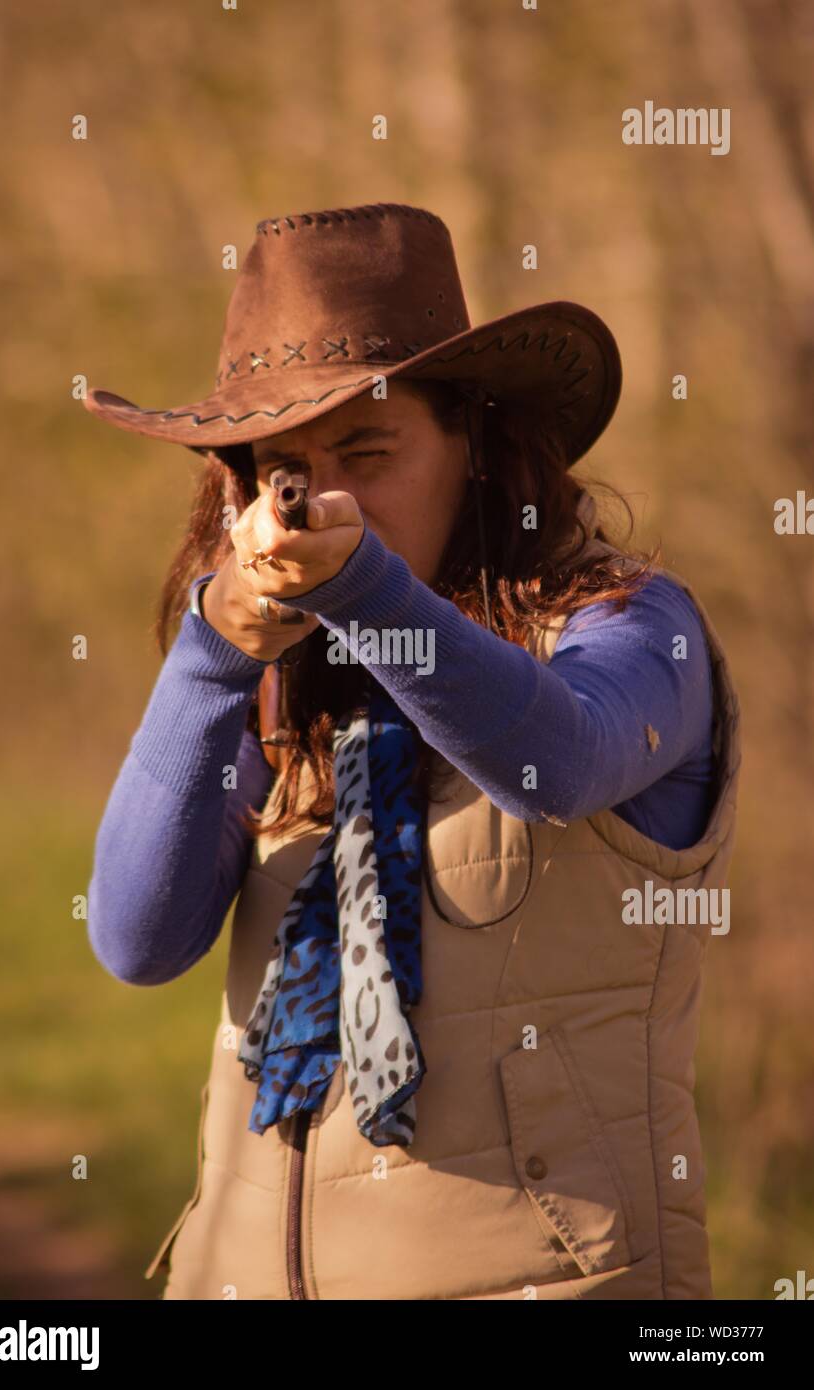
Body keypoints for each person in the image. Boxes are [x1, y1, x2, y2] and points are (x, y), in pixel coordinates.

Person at [84, 202, 741, 1300]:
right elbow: (135, 936)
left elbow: (556, 764)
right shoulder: (274, 680)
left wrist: (360, 592)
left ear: (474, 449)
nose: (320, 493)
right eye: (280, 464)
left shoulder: (634, 626)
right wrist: (213, 654)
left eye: (366, 449)